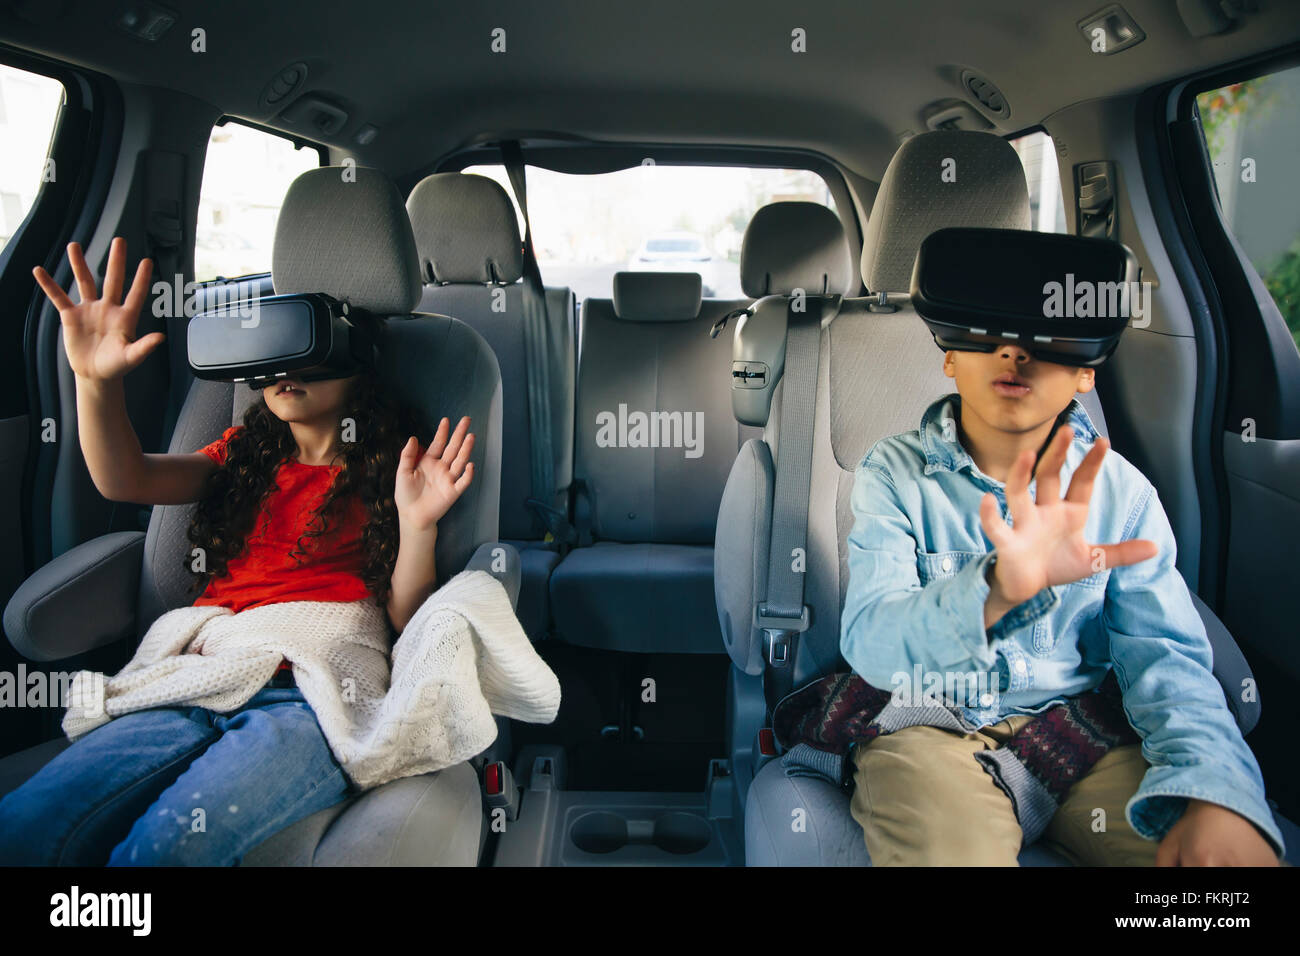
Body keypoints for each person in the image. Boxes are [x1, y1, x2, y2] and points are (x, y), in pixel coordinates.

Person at [0, 237, 475, 865]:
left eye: (304, 352)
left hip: (309, 694)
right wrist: (94, 383)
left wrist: (417, 524)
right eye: (270, 356)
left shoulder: (395, 470)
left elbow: (406, 618)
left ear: (357, 359)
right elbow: (125, 478)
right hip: (199, 677)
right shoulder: (241, 457)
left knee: (166, 849)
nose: (284, 372)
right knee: (26, 825)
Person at [840, 336, 1283, 866]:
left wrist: (1215, 789)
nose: (1014, 351)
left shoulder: (1124, 493)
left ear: (1086, 372)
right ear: (950, 356)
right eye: (986, 333)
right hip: (928, 726)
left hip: (1085, 733)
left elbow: (1166, 662)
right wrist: (994, 591)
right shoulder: (892, 473)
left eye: (1046, 337)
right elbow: (873, 643)